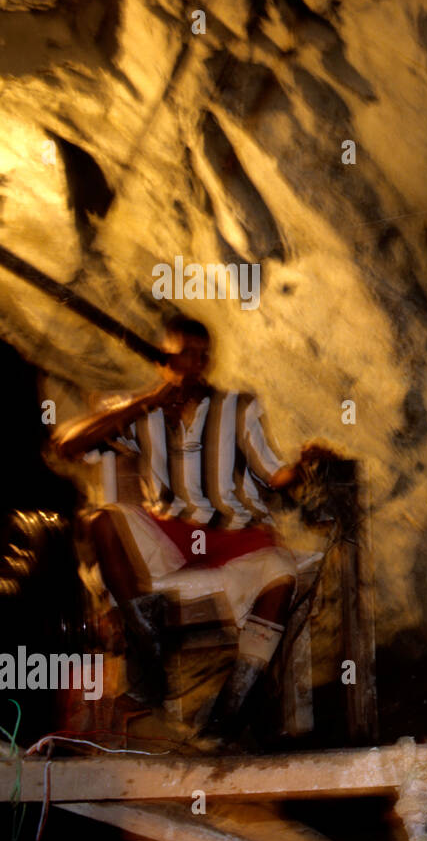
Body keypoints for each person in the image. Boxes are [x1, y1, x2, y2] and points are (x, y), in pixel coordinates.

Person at [53, 315, 305, 746]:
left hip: (234, 535)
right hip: (170, 536)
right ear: (162, 360)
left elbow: (275, 474)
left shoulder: (238, 407)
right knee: (101, 521)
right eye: (184, 354)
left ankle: (231, 708)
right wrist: (145, 402)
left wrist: (304, 465)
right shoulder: (142, 412)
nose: (195, 364)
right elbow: (66, 444)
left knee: (281, 574)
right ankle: (151, 655)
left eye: (203, 355)